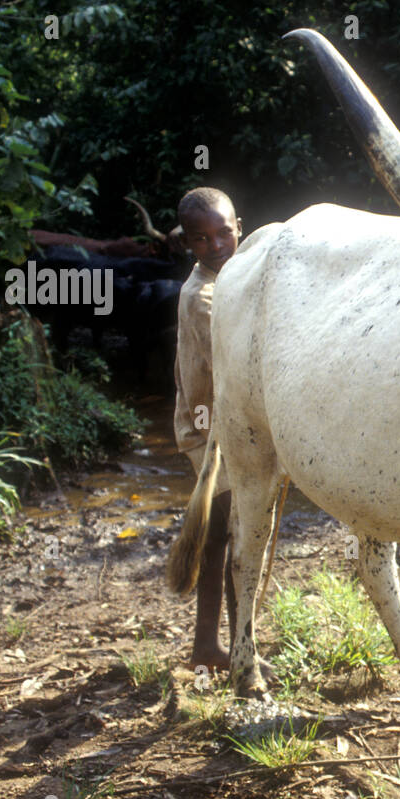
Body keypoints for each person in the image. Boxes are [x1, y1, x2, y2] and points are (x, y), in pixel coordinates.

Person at [173, 187, 241, 670]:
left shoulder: (226, 280)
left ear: (240, 227)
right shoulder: (204, 297)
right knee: (235, 538)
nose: (216, 245)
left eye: (224, 233)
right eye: (202, 239)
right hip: (209, 433)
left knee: (223, 538)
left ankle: (214, 646)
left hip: (209, 428)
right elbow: (233, 368)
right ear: (188, 244)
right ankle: (234, 647)